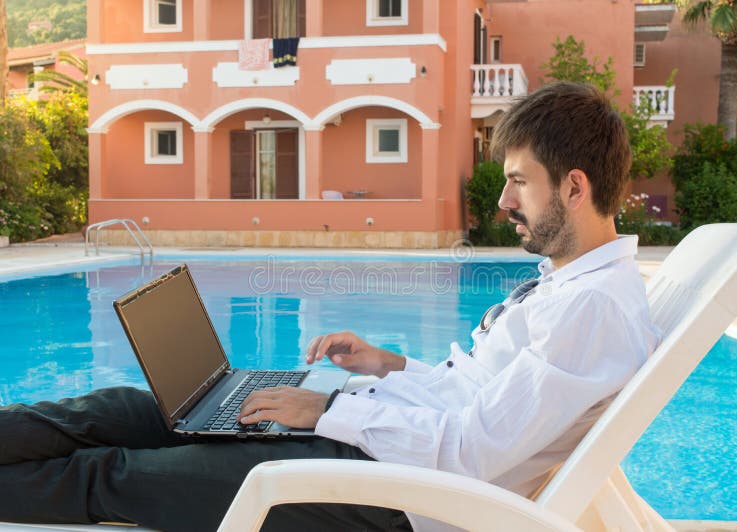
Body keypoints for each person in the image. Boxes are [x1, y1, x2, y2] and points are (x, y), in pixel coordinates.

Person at [0, 82, 660, 532]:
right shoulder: (574, 286)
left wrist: (329, 407)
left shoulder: (592, 309)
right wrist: (388, 365)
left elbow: (469, 455)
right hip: (373, 442)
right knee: (122, 409)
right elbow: (477, 400)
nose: (503, 202)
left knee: (111, 475)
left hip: (390, 493)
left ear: (574, 187)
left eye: (519, 182)